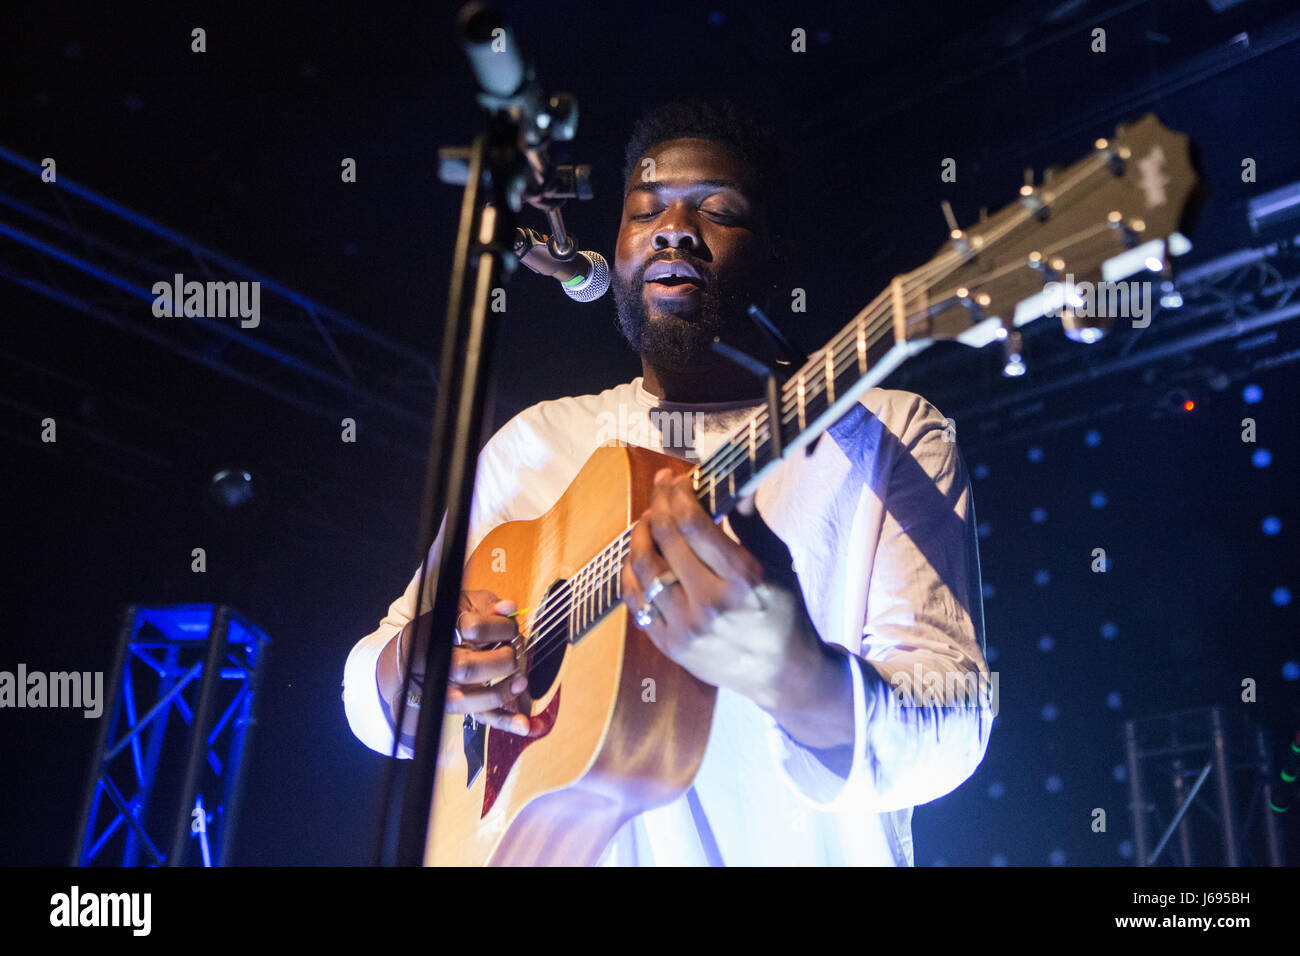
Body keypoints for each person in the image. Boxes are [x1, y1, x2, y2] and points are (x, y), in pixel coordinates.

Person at [343, 99, 992, 865]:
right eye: (645, 209)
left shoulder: (884, 436)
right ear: (615, 247)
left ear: (774, 251)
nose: (673, 228)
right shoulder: (535, 445)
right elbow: (368, 692)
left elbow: (952, 730)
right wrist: (420, 668)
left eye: (718, 210)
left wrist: (797, 674)